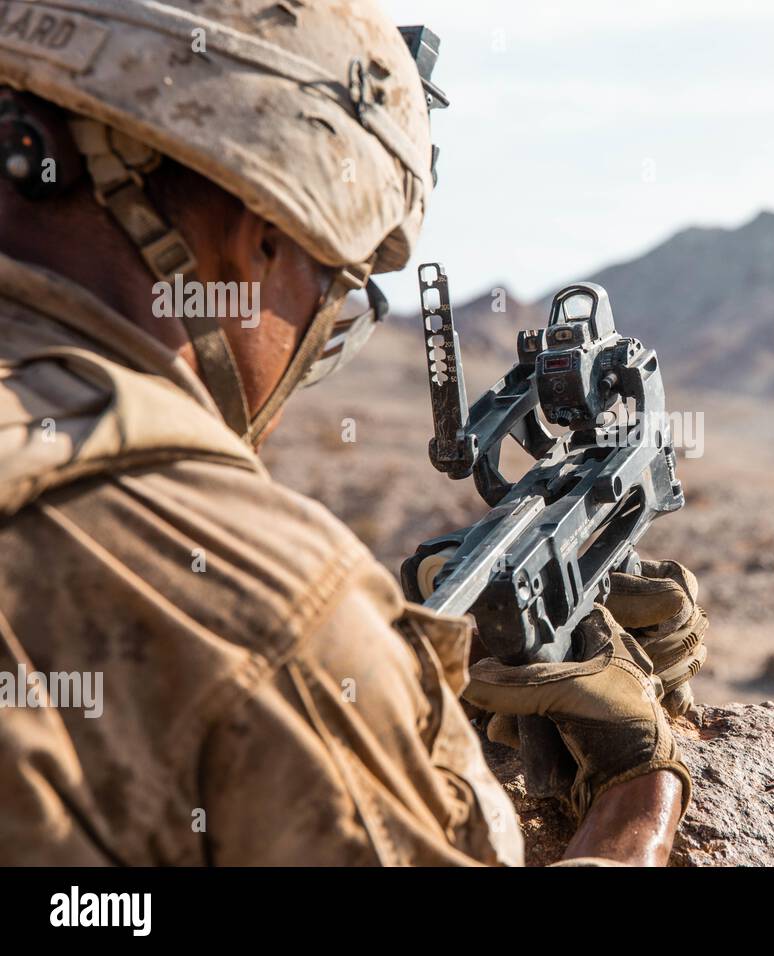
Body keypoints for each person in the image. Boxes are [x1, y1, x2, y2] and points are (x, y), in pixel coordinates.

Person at [0, 0, 706, 866]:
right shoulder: (270, 613)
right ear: (255, 238)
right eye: (335, 297)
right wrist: (639, 797)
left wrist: (411, 690)